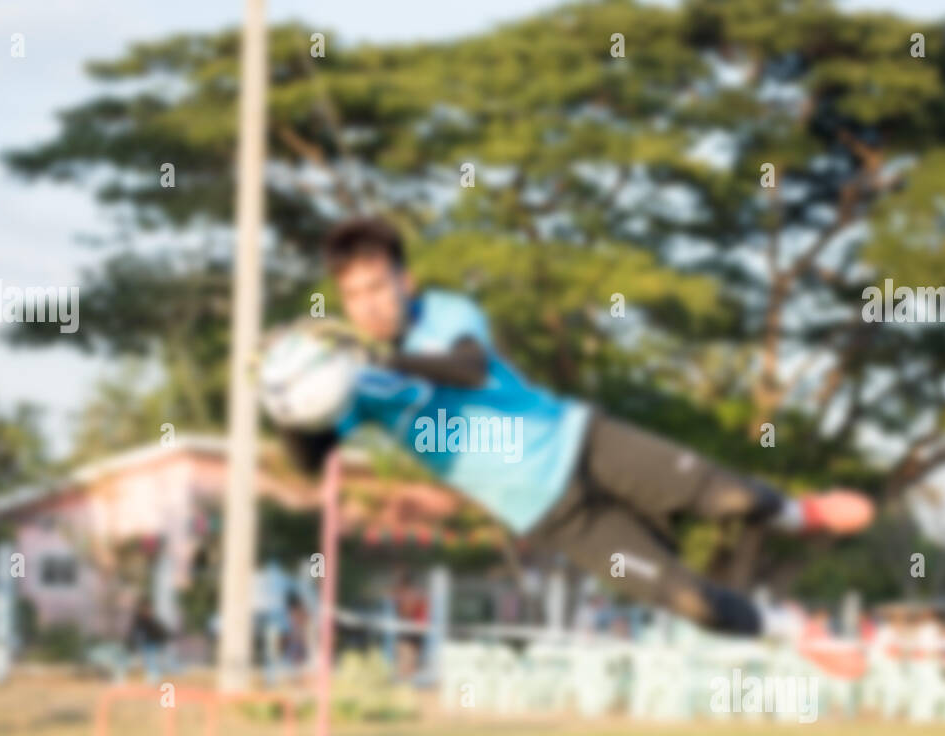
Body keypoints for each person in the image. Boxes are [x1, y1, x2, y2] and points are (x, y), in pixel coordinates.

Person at [276, 217, 874, 636]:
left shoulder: (447, 314)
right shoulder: (354, 383)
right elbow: (310, 462)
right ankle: (794, 631)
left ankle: (800, 514)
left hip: (586, 444)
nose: (371, 304)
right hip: (554, 517)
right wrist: (289, 405)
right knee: (694, 603)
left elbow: (468, 367)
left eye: (379, 286)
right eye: (355, 296)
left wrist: (383, 360)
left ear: (404, 281)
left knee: (734, 497)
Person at [125, 597, 170, 684]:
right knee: (149, 660)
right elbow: (134, 631)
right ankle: (152, 677)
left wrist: (162, 640)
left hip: (154, 642)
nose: (146, 610)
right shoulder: (140, 619)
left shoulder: (151, 619)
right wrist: (131, 642)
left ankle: (154, 677)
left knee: (153, 660)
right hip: (147, 643)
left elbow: (159, 631)